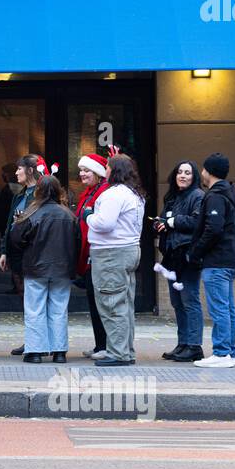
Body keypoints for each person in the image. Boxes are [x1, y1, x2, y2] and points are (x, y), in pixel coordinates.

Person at [85, 153, 144, 367]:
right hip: (129, 250)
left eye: (108, 167)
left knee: (111, 304)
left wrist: (88, 215)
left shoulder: (114, 194)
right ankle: (125, 351)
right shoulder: (134, 193)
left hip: (111, 253)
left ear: (115, 170)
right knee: (125, 303)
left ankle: (118, 353)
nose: (105, 171)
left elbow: (104, 223)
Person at [186, 153, 235, 368]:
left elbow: (214, 228)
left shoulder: (215, 196)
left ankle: (221, 353)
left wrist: (197, 251)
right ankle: (230, 352)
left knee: (219, 308)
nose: (201, 173)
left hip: (217, 260)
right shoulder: (229, 192)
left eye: (203, 169)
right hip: (229, 259)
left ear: (208, 171)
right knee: (228, 308)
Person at [15, 175, 78, 363]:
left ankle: (35, 352)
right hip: (63, 269)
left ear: (38, 191)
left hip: (36, 268)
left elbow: (17, 239)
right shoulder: (68, 215)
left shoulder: (31, 213)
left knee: (35, 309)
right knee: (59, 309)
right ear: (59, 191)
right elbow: (77, 242)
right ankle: (59, 352)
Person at [157, 160, 205, 362]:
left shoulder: (198, 196)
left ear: (194, 176)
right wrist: (160, 224)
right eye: (179, 172)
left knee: (189, 300)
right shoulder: (173, 197)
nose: (183, 176)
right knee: (178, 302)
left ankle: (194, 346)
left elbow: (196, 222)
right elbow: (163, 219)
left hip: (187, 256)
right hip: (172, 256)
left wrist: (171, 222)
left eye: (187, 172)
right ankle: (183, 343)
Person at [73, 153, 111, 359]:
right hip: (87, 256)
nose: (82, 174)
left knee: (100, 304)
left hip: (95, 255)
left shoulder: (102, 193)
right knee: (93, 303)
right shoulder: (89, 192)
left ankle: (105, 346)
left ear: (97, 173)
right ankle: (99, 345)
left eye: (86, 170)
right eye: (81, 170)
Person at [0, 155, 42, 316]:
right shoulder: (19, 195)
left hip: (32, 254)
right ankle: (32, 338)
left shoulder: (40, 196)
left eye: (19, 169)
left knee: (34, 300)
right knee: (24, 297)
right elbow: (10, 224)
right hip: (17, 253)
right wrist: (4, 251)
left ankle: (36, 340)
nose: (16, 173)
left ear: (30, 170)